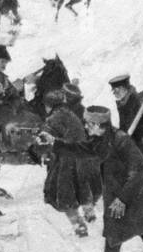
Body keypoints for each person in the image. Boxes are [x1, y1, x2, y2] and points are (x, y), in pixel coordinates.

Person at [37, 106, 143, 252]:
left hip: (136, 194)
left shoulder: (121, 141)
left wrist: (123, 199)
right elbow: (81, 149)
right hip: (116, 195)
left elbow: (140, 170)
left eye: (89, 124)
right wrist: (54, 142)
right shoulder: (100, 140)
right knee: (113, 233)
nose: (86, 127)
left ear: (98, 124)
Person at [39, 89, 100, 237]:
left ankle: (80, 228)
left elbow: (47, 140)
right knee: (82, 187)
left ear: (49, 105)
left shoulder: (53, 119)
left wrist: (40, 144)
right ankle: (89, 214)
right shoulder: (71, 114)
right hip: (83, 157)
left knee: (64, 196)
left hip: (67, 161)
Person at [110, 74, 143, 186]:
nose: (114, 92)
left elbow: (133, 123)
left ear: (124, 88)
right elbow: (124, 124)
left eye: (116, 90)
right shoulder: (124, 100)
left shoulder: (134, 101)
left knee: (142, 159)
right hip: (132, 136)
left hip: (142, 137)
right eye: (113, 90)